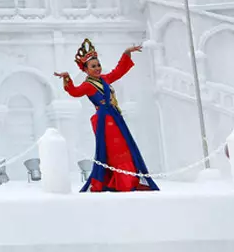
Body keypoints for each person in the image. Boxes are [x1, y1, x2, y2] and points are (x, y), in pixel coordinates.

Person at [54, 38, 159, 193]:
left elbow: (118, 71)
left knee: (124, 147)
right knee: (115, 149)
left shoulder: (105, 79)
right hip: (104, 120)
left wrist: (126, 54)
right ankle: (122, 182)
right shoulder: (87, 85)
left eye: (98, 65)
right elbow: (74, 92)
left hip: (115, 117)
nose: (97, 68)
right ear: (85, 69)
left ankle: (126, 180)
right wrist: (67, 78)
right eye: (93, 66)